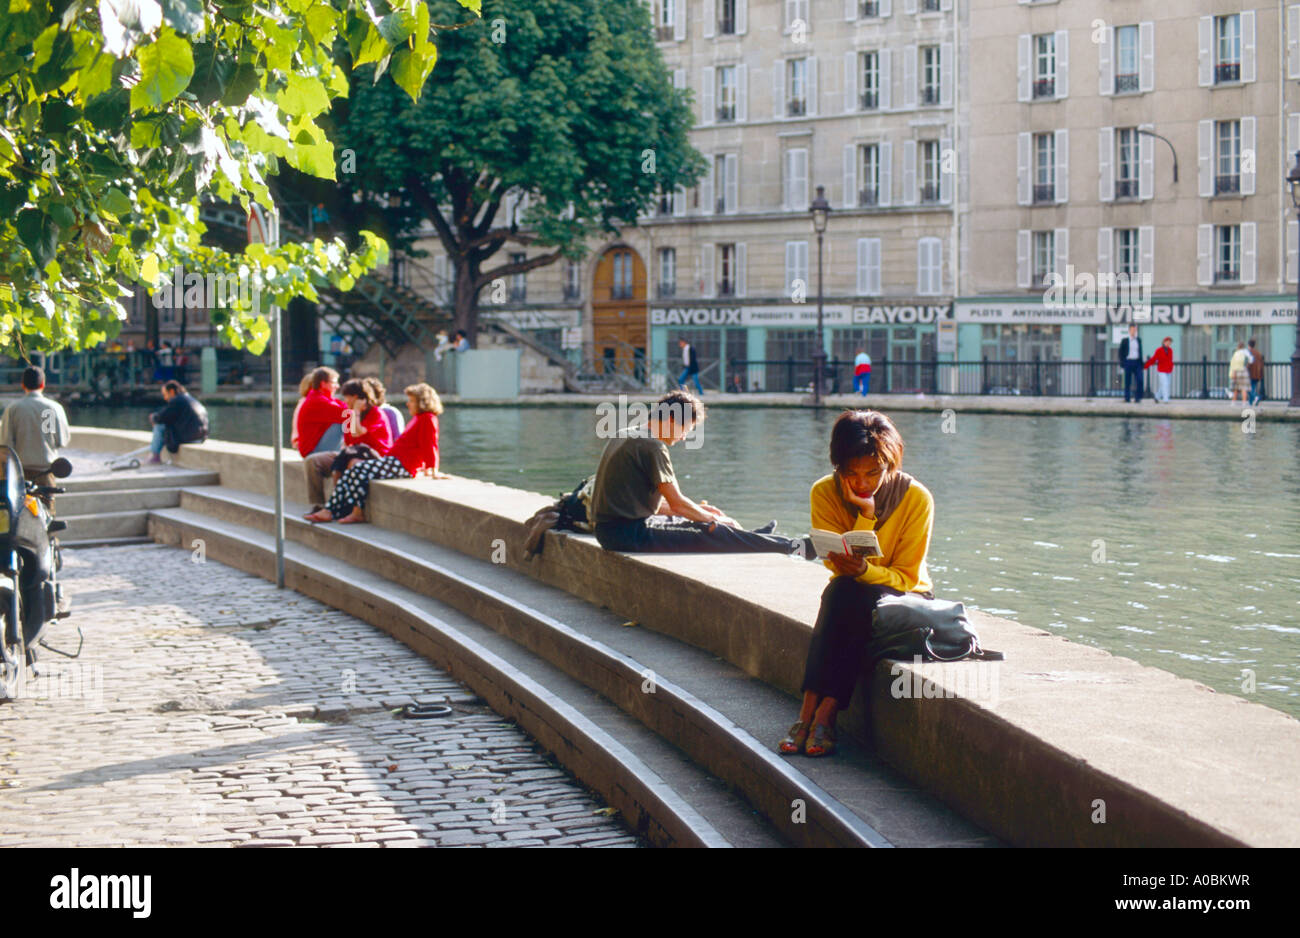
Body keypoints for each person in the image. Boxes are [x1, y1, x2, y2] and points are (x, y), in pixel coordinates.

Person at [778, 410, 935, 758]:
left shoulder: (917, 498)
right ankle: (817, 715)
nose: (862, 483)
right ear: (838, 467)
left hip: (906, 594)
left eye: (873, 473)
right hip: (850, 592)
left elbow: (907, 577)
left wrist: (864, 568)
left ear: (889, 465)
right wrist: (865, 515)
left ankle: (818, 713)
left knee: (847, 593)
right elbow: (835, 563)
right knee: (845, 592)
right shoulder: (824, 491)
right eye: (851, 473)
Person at [591, 391, 808, 555]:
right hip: (627, 535)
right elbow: (677, 504)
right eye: (687, 429)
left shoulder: (627, 433)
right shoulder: (652, 446)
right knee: (712, 531)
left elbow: (637, 503)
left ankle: (751, 537)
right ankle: (793, 546)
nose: (684, 437)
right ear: (672, 421)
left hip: (609, 531)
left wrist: (699, 510)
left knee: (700, 522)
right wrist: (714, 518)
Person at [304, 383, 448, 524]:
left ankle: (354, 513)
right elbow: (350, 436)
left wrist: (433, 469)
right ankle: (332, 510)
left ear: (422, 402)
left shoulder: (427, 418)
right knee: (349, 471)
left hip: (401, 464)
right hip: (394, 460)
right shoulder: (419, 418)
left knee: (357, 469)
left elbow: (429, 444)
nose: (408, 404)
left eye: (411, 401)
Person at [303, 378, 394, 510]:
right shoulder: (349, 414)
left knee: (351, 463)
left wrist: (356, 412)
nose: (344, 401)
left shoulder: (376, 413)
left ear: (356, 397)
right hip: (353, 453)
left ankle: (345, 507)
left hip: (373, 456)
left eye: (347, 397)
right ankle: (319, 505)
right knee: (313, 461)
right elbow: (348, 441)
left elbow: (357, 432)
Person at [0, 366, 71, 496]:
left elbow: (6, 445)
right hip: (46, 472)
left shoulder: (13, 409)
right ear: (43, 384)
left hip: (20, 475)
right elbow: (62, 441)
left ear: (23, 385)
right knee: (47, 507)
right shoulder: (53, 408)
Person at [148, 380, 209, 463]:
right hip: (201, 437)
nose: (165, 398)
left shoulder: (177, 400)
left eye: (165, 394)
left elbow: (161, 417)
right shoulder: (190, 398)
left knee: (159, 426)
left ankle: (155, 456)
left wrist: (153, 418)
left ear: (172, 391)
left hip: (189, 437)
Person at [294, 367, 348, 458]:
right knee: (344, 423)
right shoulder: (318, 401)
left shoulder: (319, 397)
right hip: (313, 452)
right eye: (334, 383)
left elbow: (343, 407)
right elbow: (348, 414)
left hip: (314, 448)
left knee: (349, 421)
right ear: (323, 384)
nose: (337, 386)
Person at [1143, 336, 1174, 404]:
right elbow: (1154, 359)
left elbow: (1170, 360)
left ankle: (1157, 397)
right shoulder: (1159, 350)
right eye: (1167, 341)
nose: (1168, 343)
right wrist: (1146, 365)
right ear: (1164, 342)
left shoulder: (1170, 350)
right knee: (1165, 384)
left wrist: (1171, 367)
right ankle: (1166, 399)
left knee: (1164, 385)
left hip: (1168, 370)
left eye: (1170, 342)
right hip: (1162, 370)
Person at [1118, 324, 1144, 403]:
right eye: (1132, 330)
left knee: (1139, 380)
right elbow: (1121, 352)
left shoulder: (1138, 340)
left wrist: (1141, 362)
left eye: (1134, 330)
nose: (1133, 331)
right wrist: (1122, 362)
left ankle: (1137, 398)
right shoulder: (1125, 340)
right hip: (1128, 362)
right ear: (1129, 331)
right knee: (1127, 381)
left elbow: (1140, 351)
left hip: (1137, 362)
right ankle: (1127, 398)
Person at [1246, 338, 1265, 406]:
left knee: (1249, 388)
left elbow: (1249, 363)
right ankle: (1251, 403)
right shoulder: (1258, 353)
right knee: (1253, 387)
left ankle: (1255, 397)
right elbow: (1261, 363)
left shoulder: (1249, 352)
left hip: (1251, 373)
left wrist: (1245, 368)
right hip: (1257, 373)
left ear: (1249, 345)